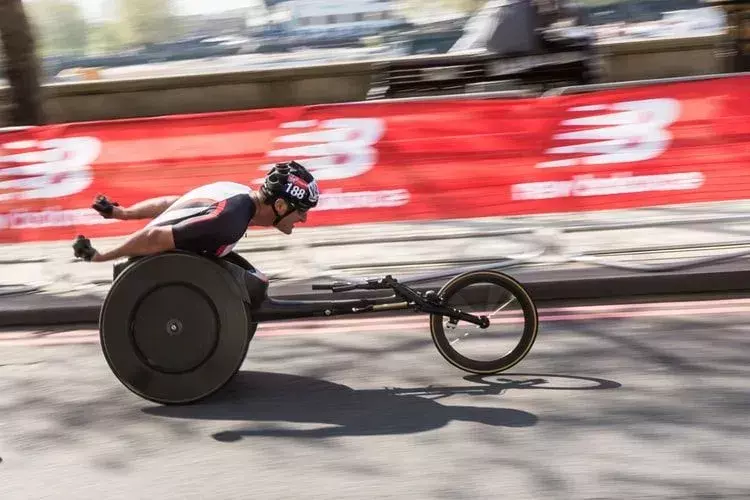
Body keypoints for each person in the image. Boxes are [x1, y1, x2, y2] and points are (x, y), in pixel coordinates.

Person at [73, 160, 319, 263]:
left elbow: (173, 203)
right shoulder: (230, 220)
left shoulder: (237, 193)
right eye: (302, 211)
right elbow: (154, 238)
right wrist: (100, 256)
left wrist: (122, 213)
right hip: (152, 273)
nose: (305, 218)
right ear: (279, 206)